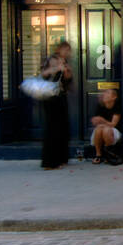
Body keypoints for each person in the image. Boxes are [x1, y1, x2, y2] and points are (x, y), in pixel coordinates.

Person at [39, 40, 72, 170]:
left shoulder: (65, 62)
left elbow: (68, 80)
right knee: (53, 129)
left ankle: (61, 159)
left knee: (62, 128)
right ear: (61, 49)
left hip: (60, 97)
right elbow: (43, 74)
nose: (68, 53)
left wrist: (67, 71)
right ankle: (50, 162)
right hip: (51, 99)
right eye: (67, 50)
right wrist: (56, 68)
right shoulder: (52, 59)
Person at [89, 88, 122, 163]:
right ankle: (98, 154)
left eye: (107, 93)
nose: (104, 95)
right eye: (104, 93)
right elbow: (97, 122)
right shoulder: (100, 106)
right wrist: (96, 121)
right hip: (101, 129)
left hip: (113, 131)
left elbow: (113, 124)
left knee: (106, 130)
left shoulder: (117, 107)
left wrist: (102, 120)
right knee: (99, 128)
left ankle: (108, 153)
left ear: (114, 97)